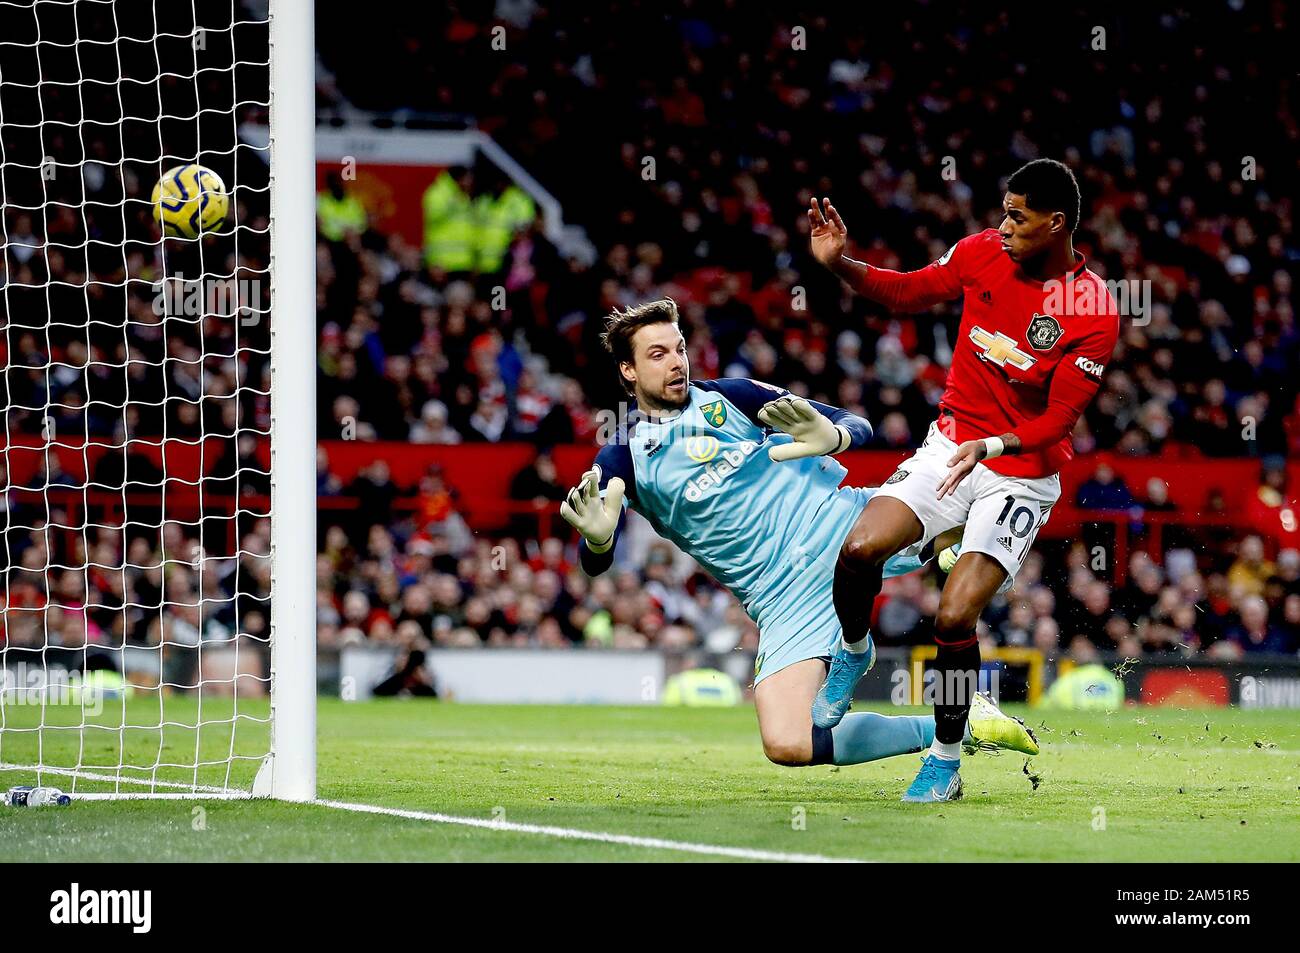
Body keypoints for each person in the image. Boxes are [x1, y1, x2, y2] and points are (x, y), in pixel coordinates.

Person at [561, 299, 1038, 778]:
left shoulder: (732, 396)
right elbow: (594, 560)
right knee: (787, 741)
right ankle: (957, 726)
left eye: (680, 349)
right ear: (628, 369)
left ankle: (960, 551)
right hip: (779, 597)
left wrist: (835, 437)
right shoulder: (623, 456)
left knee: (966, 490)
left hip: (838, 524)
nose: (677, 362)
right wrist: (599, 544)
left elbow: (856, 424)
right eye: (658, 354)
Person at [808, 158, 1118, 801]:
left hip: (1020, 475)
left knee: (953, 614)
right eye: (1003, 211)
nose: (1001, 226)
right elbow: (908, 290)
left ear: (1056, 223)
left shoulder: (1093, 308)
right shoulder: (981, 253)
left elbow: (1062, 418)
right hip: (951, 445)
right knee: (859, 549)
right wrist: (840, 263)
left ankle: (945, 760)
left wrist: (996, 442)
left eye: (1018, 216)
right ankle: (854, 648)